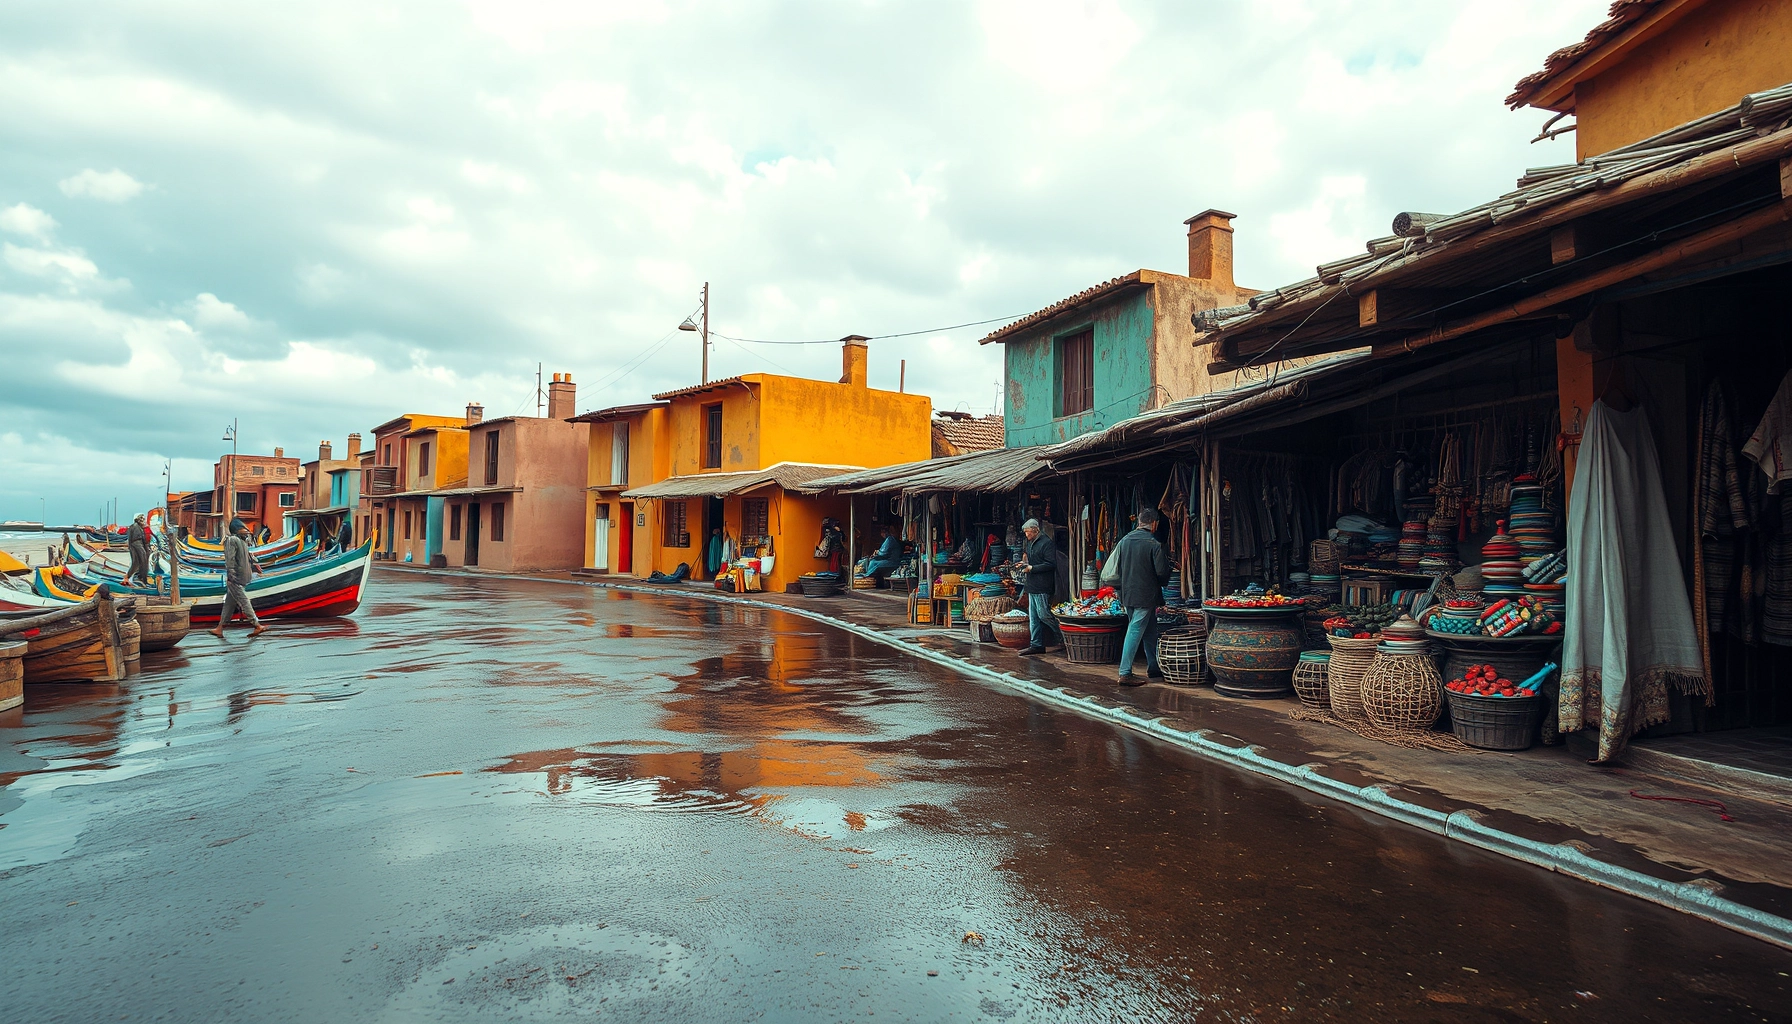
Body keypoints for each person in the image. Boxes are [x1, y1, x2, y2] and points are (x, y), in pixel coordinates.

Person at [209, 518, 265, 638]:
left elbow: (230, 560)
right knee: (229, 602)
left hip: (236, 577)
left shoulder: (232, 540)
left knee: (243, 600)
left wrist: (230, 575)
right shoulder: (243, 541)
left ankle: (257, 625)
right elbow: (249, 559)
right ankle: (220, 627)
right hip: (245, 575)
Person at [1015, 518, 1062, 655]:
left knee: (1044, 615)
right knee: (1034, 617)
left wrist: (1032, 568)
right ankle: (1036, 644)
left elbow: (1051, 564)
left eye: (1028, 532)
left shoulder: (1046, 543)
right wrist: (1024, 564)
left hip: (1043, 585)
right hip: (1032, 584)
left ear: (1035, 530)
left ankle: (1062, 636)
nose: (1026, 535)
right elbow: (1032, 560)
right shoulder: (1030, 543)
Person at [125, 513, 151, 586]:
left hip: (140, 544)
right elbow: (130, 539)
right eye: (141, 518)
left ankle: (143, 578)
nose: (143, 520)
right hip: (135, 544)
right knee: (139, 561)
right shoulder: (133, 527)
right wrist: (130, 547)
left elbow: (144, 539)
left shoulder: (141, 528)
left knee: (143, 561)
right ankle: (139, 578)